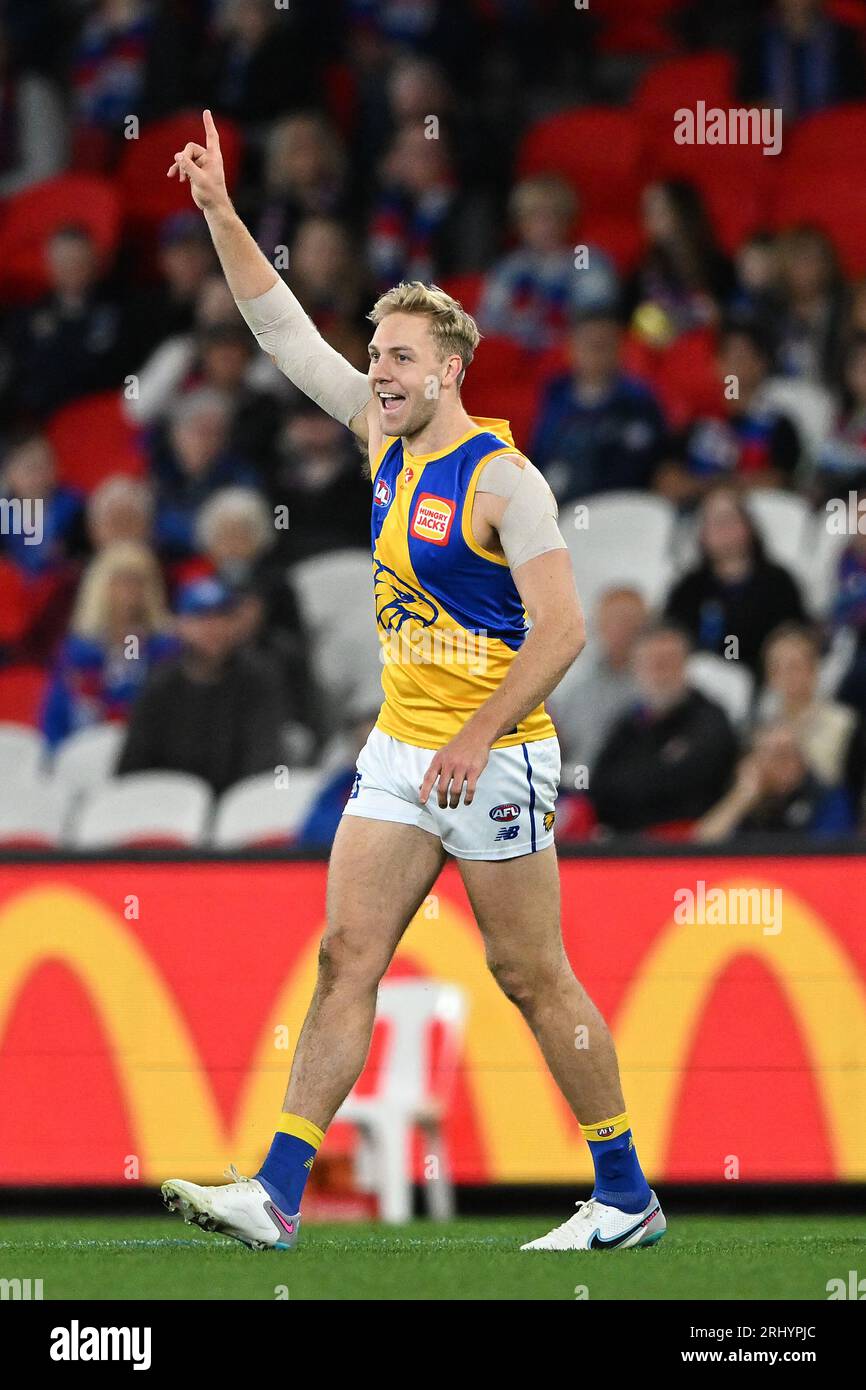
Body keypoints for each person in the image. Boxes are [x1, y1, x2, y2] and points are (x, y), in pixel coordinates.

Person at [160, 110, 666, 1255]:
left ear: (447, 370)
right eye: (374, 355)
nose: (373, 372)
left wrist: (481, 734)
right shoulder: (380, 439)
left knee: (529, 975)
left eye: (394, 357)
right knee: (346, 955)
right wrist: (223, 212)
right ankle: (278, 1192)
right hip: (400, 747)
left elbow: (566, 628)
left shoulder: (505, 481)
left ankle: (625, 1191)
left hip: (493, 754)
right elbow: (280, 329)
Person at [117, 575, 285, 795]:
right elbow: (132, 770)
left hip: (237, 807)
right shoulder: (158, 686)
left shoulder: (259, 678)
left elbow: (263, 760)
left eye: (222, 616)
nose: (213, 627)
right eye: (201, 617)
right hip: (168, 806)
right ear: (179, 624)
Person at [591, 621, 738, 833]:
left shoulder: (710, 720)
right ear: (636, 668)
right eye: (652, 663)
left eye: (668, 662)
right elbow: (600, 787)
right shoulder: (627, 724)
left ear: (686, 664)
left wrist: (637, 782)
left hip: (693, 848)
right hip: (627, 844)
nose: (660, 673)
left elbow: (692, 783)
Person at [40, 540, 176, 747]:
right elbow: (56, 711)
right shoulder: (78, 649)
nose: (130, 591)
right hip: (82, 747)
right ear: (101, 586)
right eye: (120, 581)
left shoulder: (162, 647)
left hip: (144, 749)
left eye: (138, 582)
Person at [665, 485, 806, 673]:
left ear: (748, 526)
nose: (724, 530)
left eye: (730, 520)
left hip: (766, 678)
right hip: (702, 681)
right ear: (703, 534)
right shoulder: (689, 588)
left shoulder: (779, 582)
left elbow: (795, 634)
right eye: (715, 522)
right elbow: (674, 638)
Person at [531, 309, 667, 501]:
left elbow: (661, 465)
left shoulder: (641, 400)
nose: (597, 353)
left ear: (620, 348)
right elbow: (539, 458)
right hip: (564, 510)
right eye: (590, 345)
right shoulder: (554, 396)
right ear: (571, 349)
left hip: (628, 509)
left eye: (605, 345)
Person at [477, 174, 619, 351]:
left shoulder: (584, 258)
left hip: (569, 359)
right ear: (520, 223)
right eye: (534, 217)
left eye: (552, 215)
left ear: (568, 220)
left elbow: (593, 322)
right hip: (518, 359)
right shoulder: (510, 266)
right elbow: (490, 325)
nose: (544, 226)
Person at [548, 586, 647, 780]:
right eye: (614, 620)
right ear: (599, 625)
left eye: (630, 621)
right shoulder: (573, 680)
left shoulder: (655, 682)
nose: (623, 629)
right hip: (577, 781)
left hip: (635, 787)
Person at [695, 721, 854, 840]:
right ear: (754, 761)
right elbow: (703, 842)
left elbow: (828, 853)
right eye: (778, 754)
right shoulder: (747, 800)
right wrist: (742, 797)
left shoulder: (825, 798)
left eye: (794, 753)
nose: (789, 762)